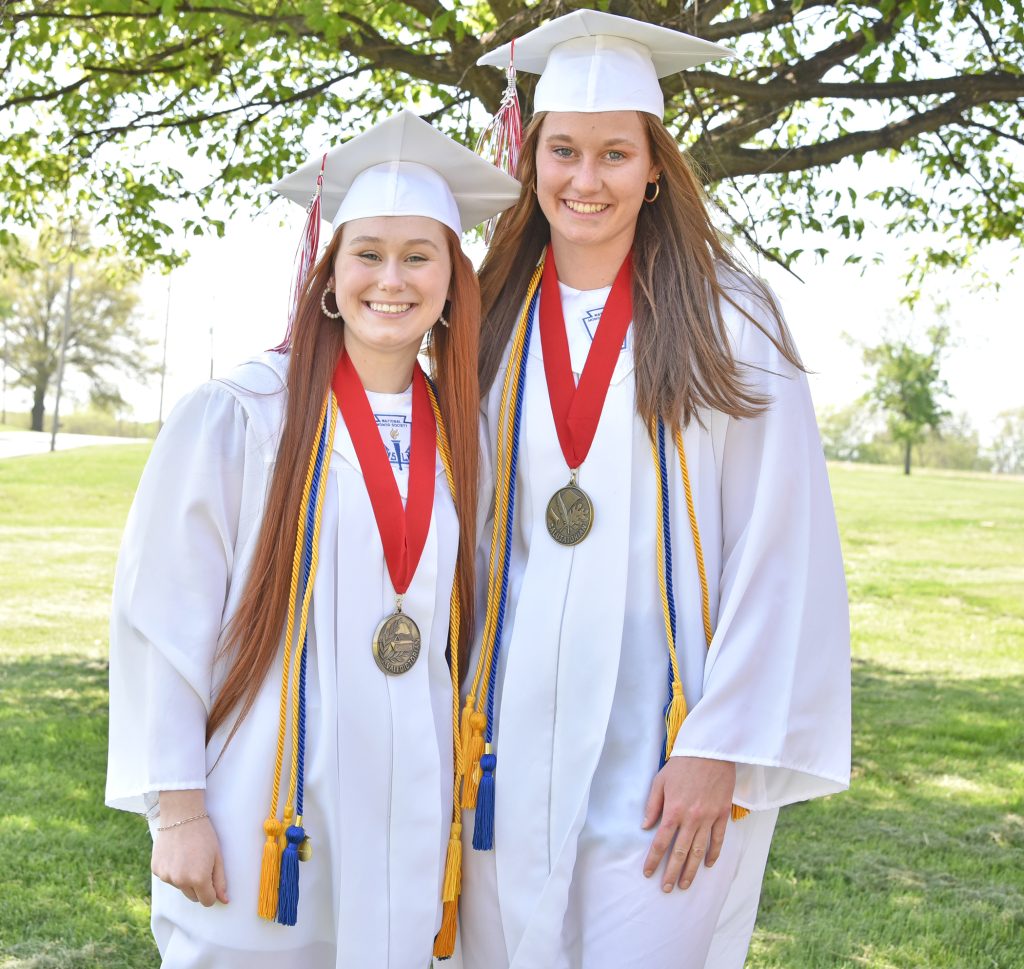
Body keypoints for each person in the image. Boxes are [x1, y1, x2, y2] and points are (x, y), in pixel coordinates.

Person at [457, 11, 851, 969]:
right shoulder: (490, 308)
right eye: (563, 151)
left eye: (613, 154)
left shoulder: (729, 313)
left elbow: (781, 543)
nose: (584, 179)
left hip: (664, 745)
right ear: (531, 156)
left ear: (654, 167)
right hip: (505, 739)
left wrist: (722, 746)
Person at [105, 109, 520, 968]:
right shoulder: (242, 415)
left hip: (405, 799)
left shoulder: (461, 435)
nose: (391, 279)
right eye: (367, 253)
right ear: (330, 276)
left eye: (419, 256)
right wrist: (176, 811)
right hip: (268, 801)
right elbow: (161, 617)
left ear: (451, 282)